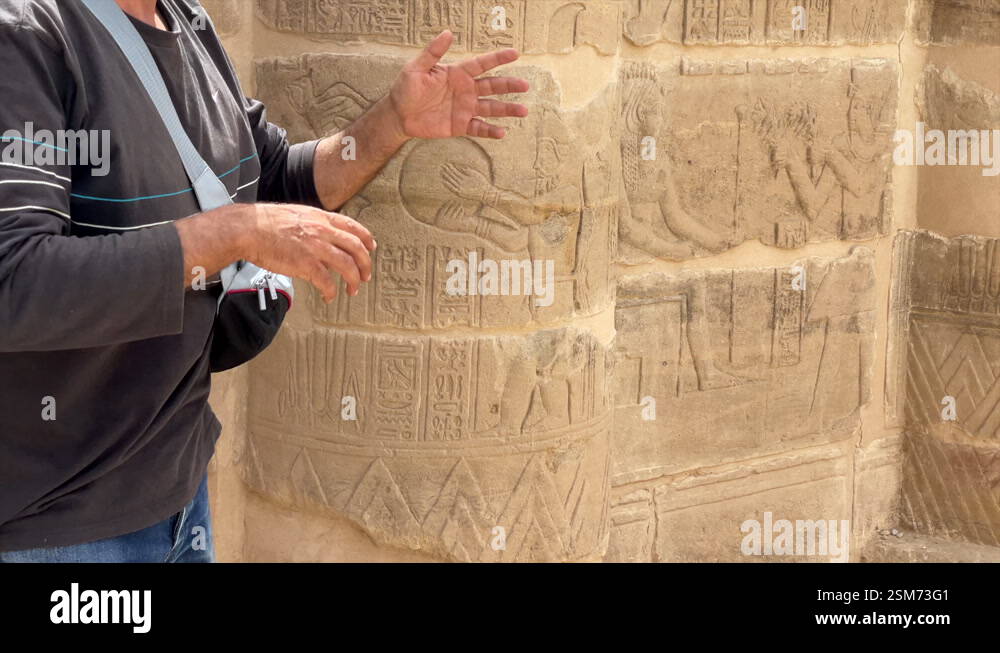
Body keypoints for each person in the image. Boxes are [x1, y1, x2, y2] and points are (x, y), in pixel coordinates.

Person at [0, 0, 528, 562]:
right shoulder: (27, 36)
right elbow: (16, 281)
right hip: (61, 524)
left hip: (178, 493)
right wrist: (234, 232)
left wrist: (391, 123)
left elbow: (271, 180)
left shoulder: (185, 21)